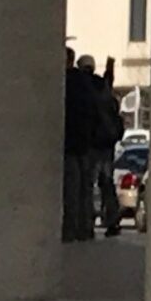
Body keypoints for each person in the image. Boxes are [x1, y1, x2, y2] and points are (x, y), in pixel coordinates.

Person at [87, 56, 125, 236]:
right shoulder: (105, 91)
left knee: (87, 183)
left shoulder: (87, 88)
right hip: (107, 145)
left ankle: (87, 221)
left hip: (92, 145)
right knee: (107, 183)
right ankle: (112, 219)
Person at [62, 48, 97, 242]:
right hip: (87, 145)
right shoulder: (89, 84)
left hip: (70, 144)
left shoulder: (65, 82)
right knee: (85, 190)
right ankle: (85, 228)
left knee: (71, 191)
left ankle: (70, 230)